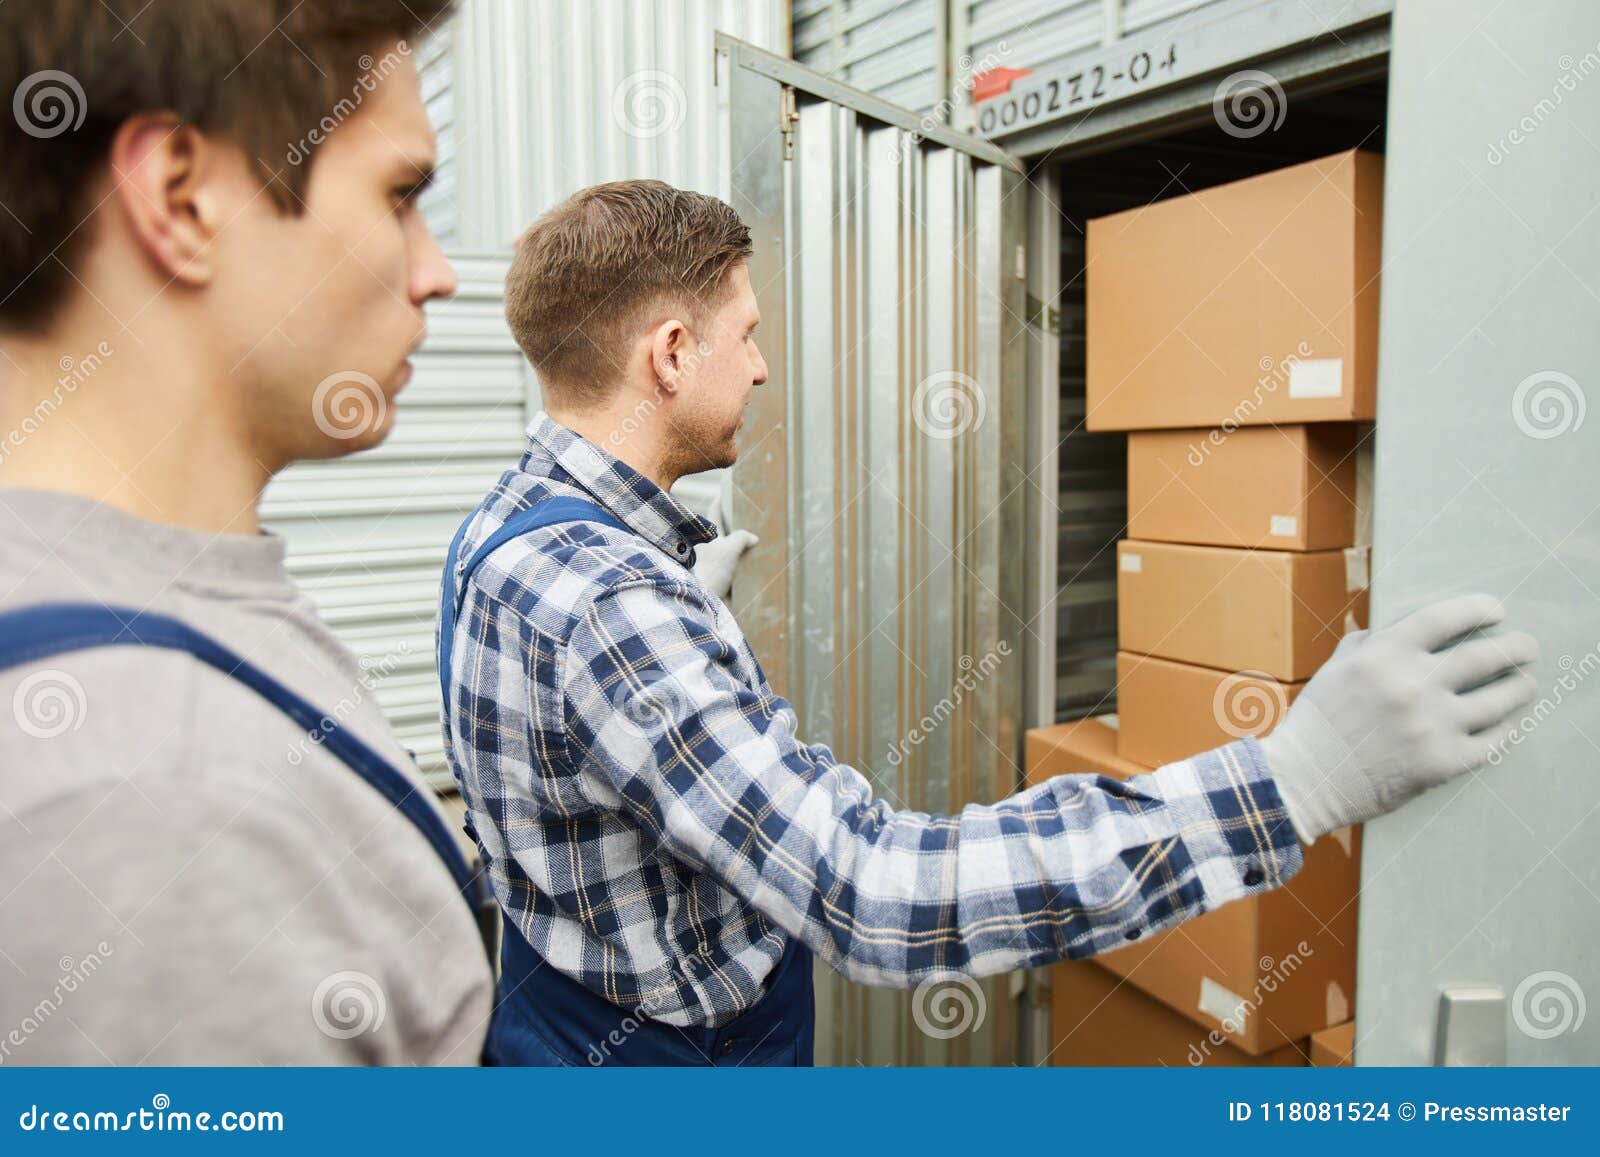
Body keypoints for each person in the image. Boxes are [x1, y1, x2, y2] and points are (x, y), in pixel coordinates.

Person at [440, 178, 1542, 1067]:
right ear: (671, 354)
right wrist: (1296, 779)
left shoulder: (510, 525)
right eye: (746, 333)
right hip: (670, 1060)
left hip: (562, 990)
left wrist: (679, 601)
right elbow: (870, 890)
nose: (764, 364)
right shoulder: (615, 607)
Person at [0, 0, 494, 1063]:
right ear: (180, 197)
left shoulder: (145, 625)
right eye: (401, 194)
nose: (436, 269)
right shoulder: (151, 800)